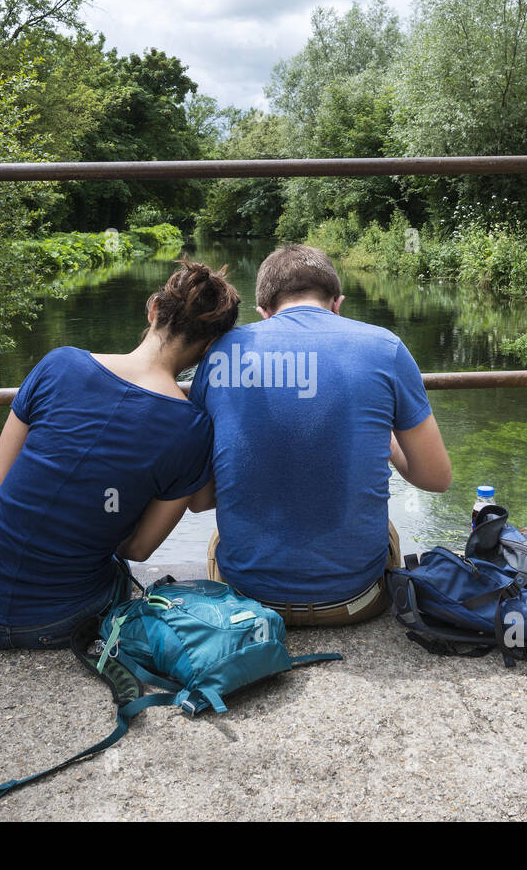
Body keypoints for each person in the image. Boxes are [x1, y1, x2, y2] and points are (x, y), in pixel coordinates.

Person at [0, 258, 240, 649]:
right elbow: (137, 548)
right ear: (211, 346)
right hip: (59, 621)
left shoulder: (59, 364)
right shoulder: (192, 429)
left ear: (152, 310)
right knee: (117, 570)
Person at [189, 243, 452, 626]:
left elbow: (198, 500)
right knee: (385, 526)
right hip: (355, 601)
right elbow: (436, 478)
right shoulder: (384, 347)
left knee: (221, 535)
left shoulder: (220, 352)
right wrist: (389, 443)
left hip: (249, 600)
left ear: (263, 312)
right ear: (337, 303)